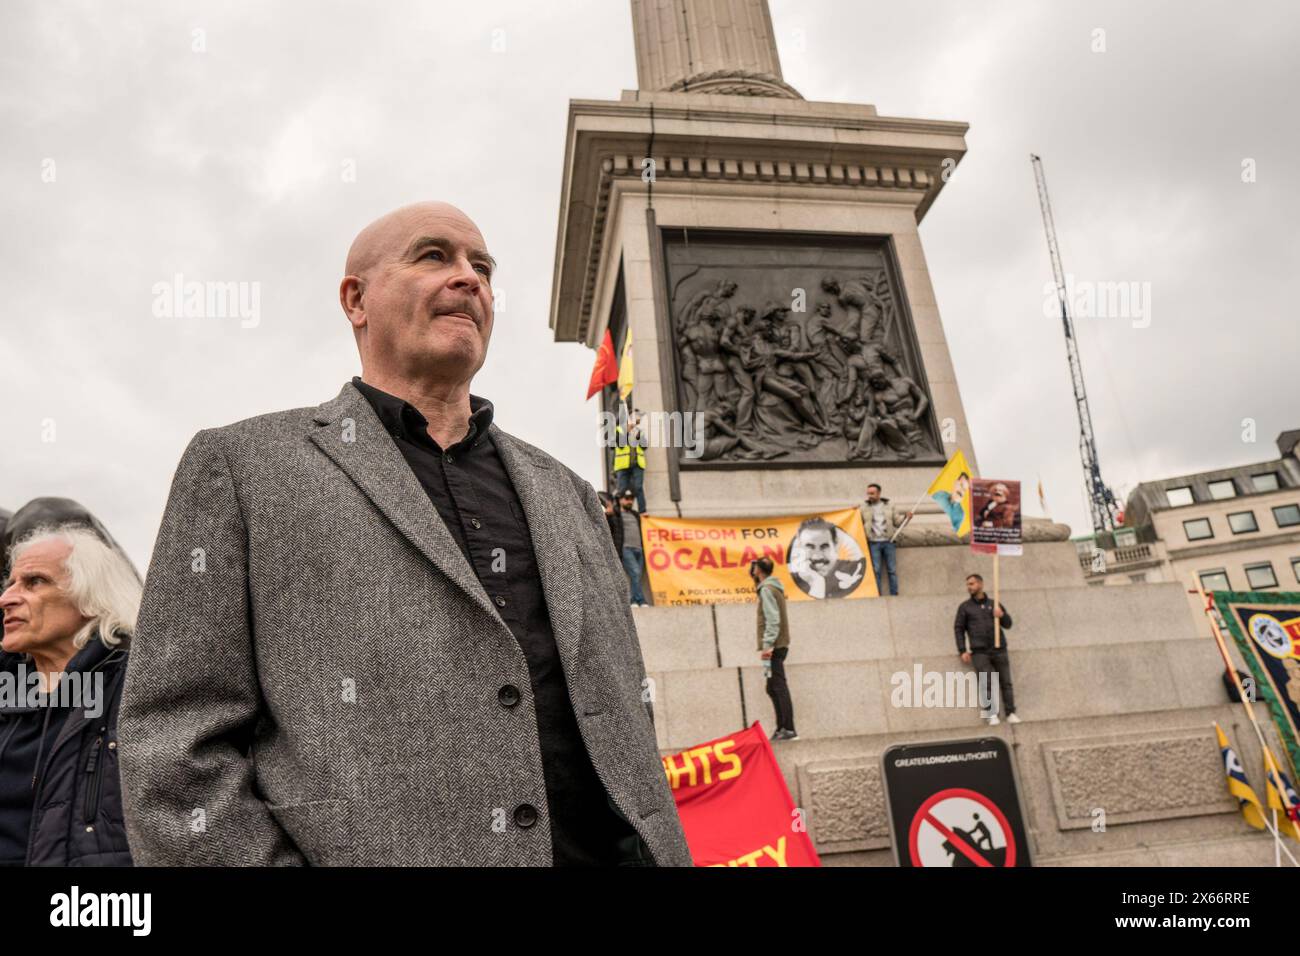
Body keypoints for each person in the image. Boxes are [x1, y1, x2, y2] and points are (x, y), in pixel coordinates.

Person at [118, 201, 691, 867]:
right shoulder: (243, 468)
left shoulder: (568, 492)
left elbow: (622, 716)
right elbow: (174, 743)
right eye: (433, 256)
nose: (469, 278)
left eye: (482, 267)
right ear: (355, 299)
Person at [0, 525, 139, 866]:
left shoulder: (136, 690)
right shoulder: (8, 688)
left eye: (35, 582)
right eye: (10, 584)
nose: (6, 599)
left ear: (91, 599)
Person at [953, 573, 1020, 726]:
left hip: (999, 648)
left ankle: (1010, 713)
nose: (969, 587)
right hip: (979, 651)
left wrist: (1002, 615)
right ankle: (991, 715)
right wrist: (962, 649)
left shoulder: (994, 603)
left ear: (980, 584)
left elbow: (1008, 624)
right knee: (986, 683)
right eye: (968, 584)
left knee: (1006, 682)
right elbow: (958, 629)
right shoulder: (965, 608)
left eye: (972, 584)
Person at [751, 557, 797, 741]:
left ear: (759, 570)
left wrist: (768, 645)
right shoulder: (774, 588)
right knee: (772, 687)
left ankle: (788, 728)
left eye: (754, 566)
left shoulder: (767, 590)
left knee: (778, 686)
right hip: (779, 645)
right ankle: (782, 727)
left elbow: (773, 620)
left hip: (774, 647)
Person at [788, 517, 866, 599]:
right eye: (810, 547)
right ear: (800, 547)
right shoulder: (790, 579)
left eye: (824, 547)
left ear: (836, 546)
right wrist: (817, 582)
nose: (817, 556)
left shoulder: (856, 569)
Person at [863, 483, 897, 596]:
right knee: (876, 571)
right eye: (868, 493)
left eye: (872, 493)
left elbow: (897, 521)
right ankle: (877, 595)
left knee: (892, 570)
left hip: (889, 542)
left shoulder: (889, 505)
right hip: (874, 543)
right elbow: (857, 520)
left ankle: (894, 594)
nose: (869, 496)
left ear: (879, 493)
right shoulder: (864, 507)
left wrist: (907, 517)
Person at [617, 489, 648, 606]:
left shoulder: (635, 514)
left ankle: (634, 599)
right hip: (626, 549)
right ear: (620, 500)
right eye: (627, 499)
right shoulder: (616, 515)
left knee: (637, 574)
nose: (630, 501)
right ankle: (640, 600)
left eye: (631, 499)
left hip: (639, 549)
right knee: (635, 572)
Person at [613, 409, 647, 514]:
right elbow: (620, 444)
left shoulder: (638, 430)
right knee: (621, 489)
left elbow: (644, 446)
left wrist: (638, 436)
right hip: (622, 464)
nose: (638, 419)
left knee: (638, 487)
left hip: (637, 464)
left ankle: (642, 512)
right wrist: (627, 432)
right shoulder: (619, 429)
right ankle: (618, 511)